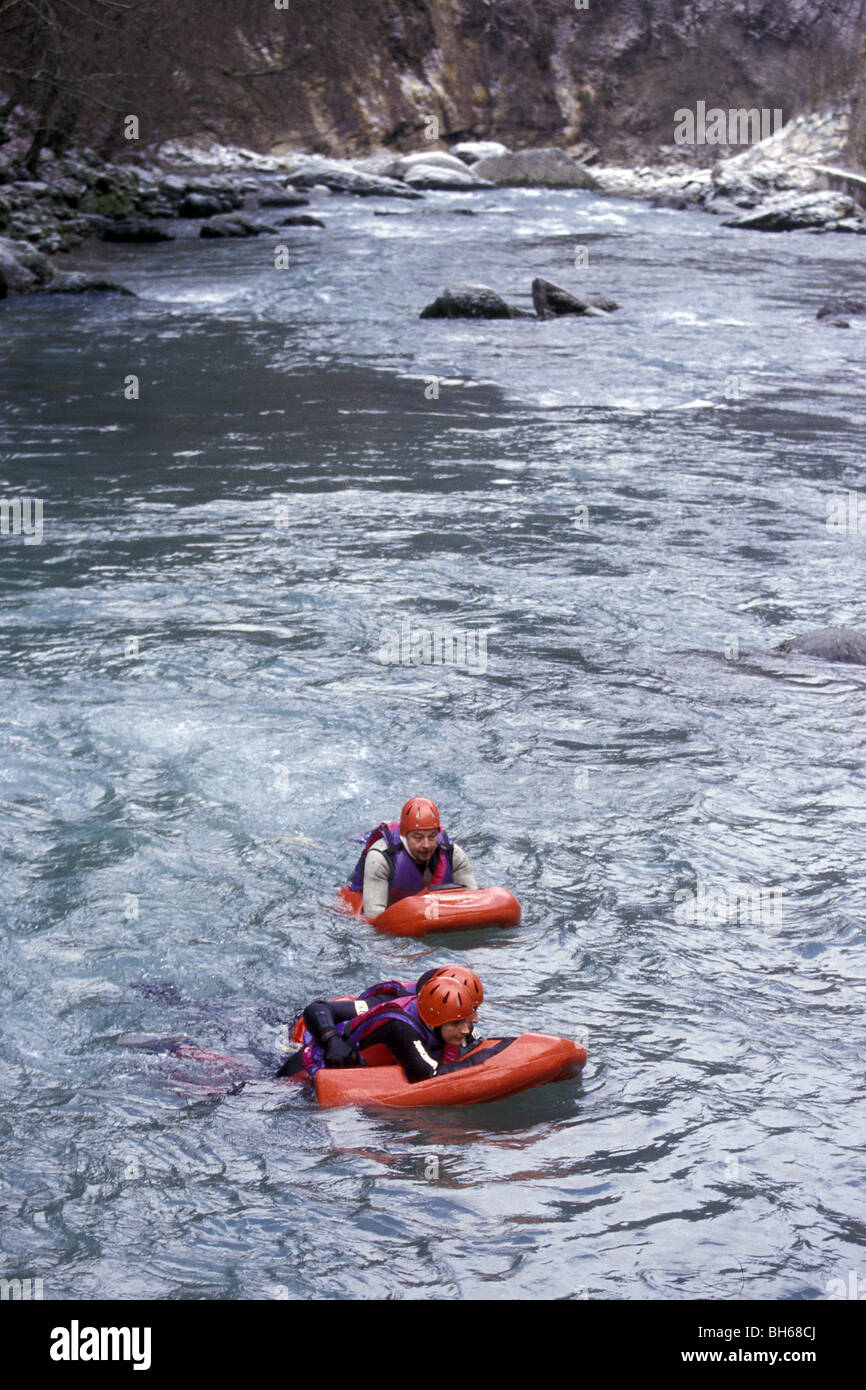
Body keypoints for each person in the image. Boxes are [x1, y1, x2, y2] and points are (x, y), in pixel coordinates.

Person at [277, 966, 493, 1083]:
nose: (471, 1023)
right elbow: (431, 1075)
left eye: (472, 1013)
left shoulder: (459, 1022)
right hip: (312, 1068)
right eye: (459, 1021)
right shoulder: (396, 1016)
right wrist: (331, 1039)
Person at [348, 797, 477, 918]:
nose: (426, 845)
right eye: (418, 837)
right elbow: (374, 917)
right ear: (404, 836)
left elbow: (475, 901)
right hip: (375, 889)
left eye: (432, 836)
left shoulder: (452, 854)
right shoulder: (380, 858)